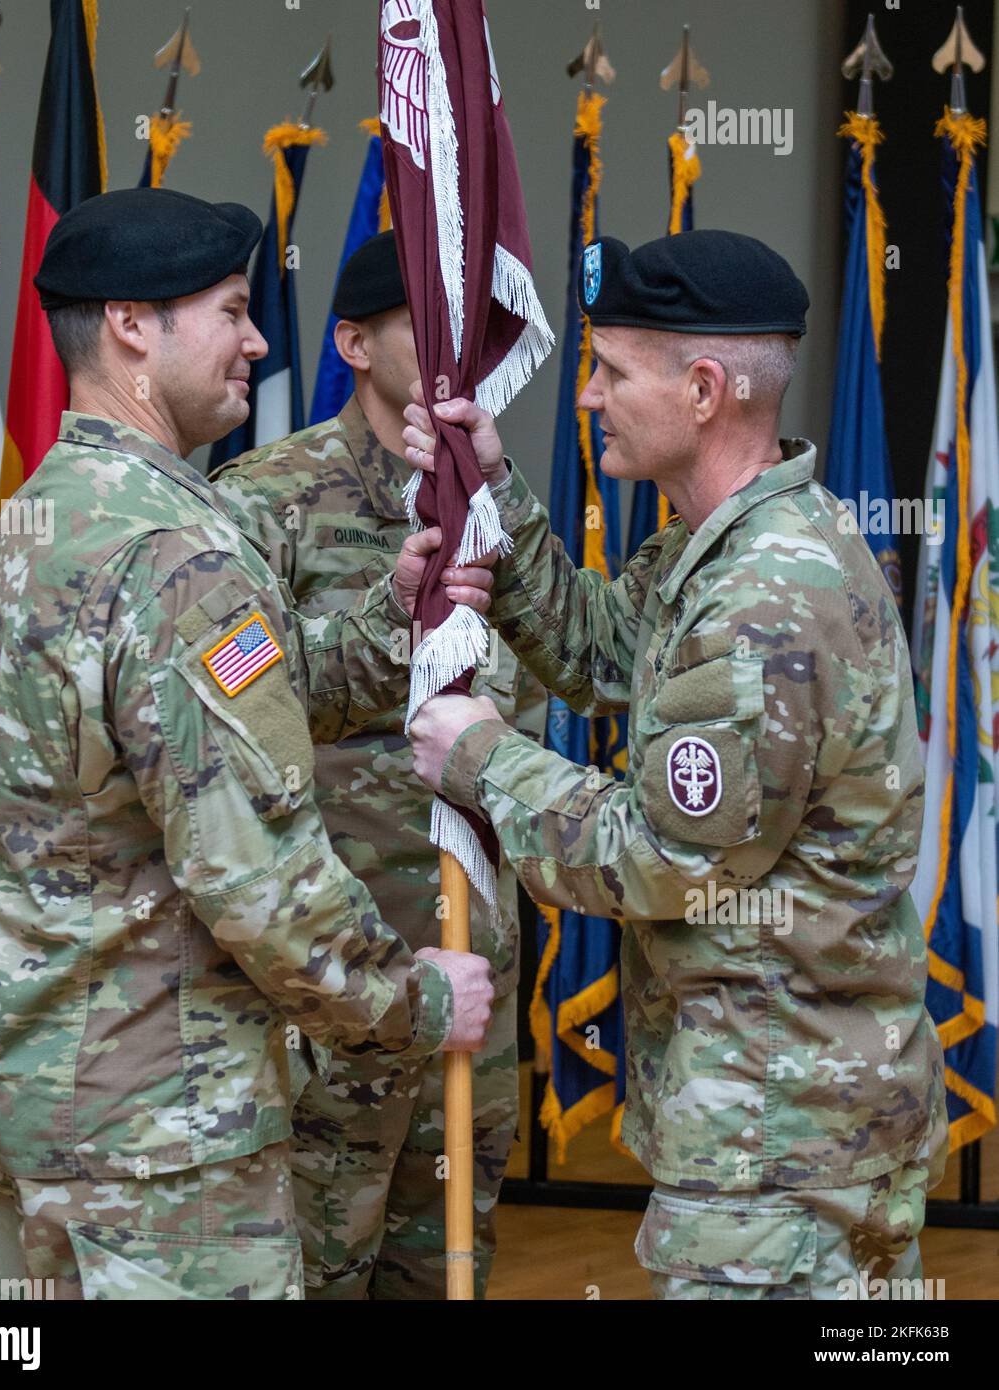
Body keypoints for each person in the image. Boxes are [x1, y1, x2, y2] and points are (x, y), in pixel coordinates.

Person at [0, 188, 496, 1302]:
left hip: (23, 1088)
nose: (257, 340)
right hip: (157, 1137)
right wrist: (416, 997)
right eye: (234, 310)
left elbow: (198, 728)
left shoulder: (45, 514)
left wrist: (397, 626)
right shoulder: (178, 554)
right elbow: (257, 871)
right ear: (134, 326)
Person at [405, 229, 948, 1301]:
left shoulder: (764, 598)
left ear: (704, 389)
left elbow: (660, 857)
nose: (591, 398)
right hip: (794, 1124)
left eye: (612, 372)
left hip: (781, 1149)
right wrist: (500, 491)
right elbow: (603, 648)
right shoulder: (726, 546)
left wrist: (482, 760)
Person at [211, 230, 546, 1300]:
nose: (462, 349)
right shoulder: (266, 497)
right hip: (339, 973)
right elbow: (235, 718)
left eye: (475, 326)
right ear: (352, 341)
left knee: (444, 1261)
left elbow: (537, 697)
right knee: (322, 1257)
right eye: (429, 325)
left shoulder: (498, 499)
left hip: (473, 958)